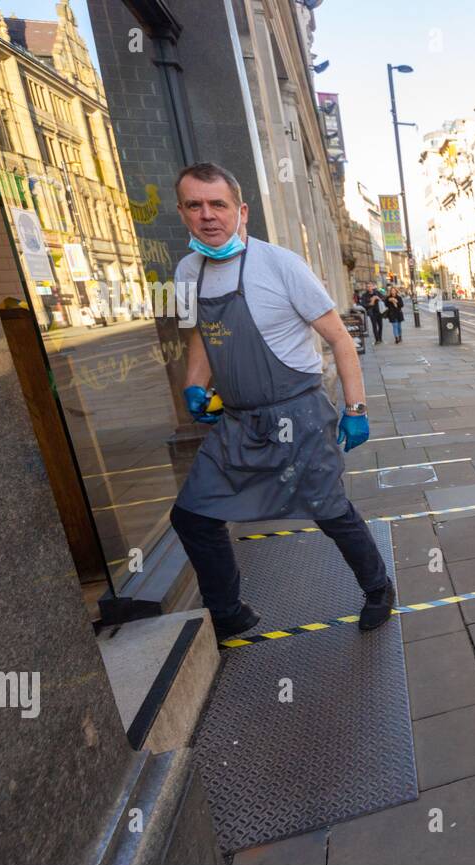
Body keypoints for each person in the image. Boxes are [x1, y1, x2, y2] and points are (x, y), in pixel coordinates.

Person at [169, 162, 393, 637]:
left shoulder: (281, 264)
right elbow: (201, 337)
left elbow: (339, 338)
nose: (208, 215)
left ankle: (378, 589)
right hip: (236, 423)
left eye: (218, 204)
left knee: (331, 511)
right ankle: (228, 610)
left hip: (299, 415)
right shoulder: (187, 271)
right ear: (183, 212)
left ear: (241, 210)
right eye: (195, 205)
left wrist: (355, 409)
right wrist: (194, 384)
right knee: (191, 515)